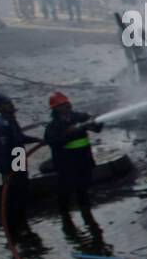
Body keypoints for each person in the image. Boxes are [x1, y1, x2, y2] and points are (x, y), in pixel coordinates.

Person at [43, 92, 103, 221]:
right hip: (66, 164)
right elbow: (52, 142)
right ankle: (65, 217)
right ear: (56, 109)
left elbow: (97, 129)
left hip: (84, 160)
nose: (67, 106)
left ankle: (86, 214)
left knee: (83, 188)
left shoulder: (80, 117)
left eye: (67, 103)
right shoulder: (53, 126)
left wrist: (98, 120)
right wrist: (67, 134)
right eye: (63, 105)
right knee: (66, 190)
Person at [0, 94, 42, 231]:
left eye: (10, 102)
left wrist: (36, 140)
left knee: (22, 193)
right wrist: (7, 171)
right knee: (13, 197)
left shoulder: (11, 120)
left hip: (18, 162)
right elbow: (3, 151)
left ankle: (23, 223)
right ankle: (14, 228)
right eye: (6, 103)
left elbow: (20, 138)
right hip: (11, 166)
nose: (10, 105)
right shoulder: (2, 125)